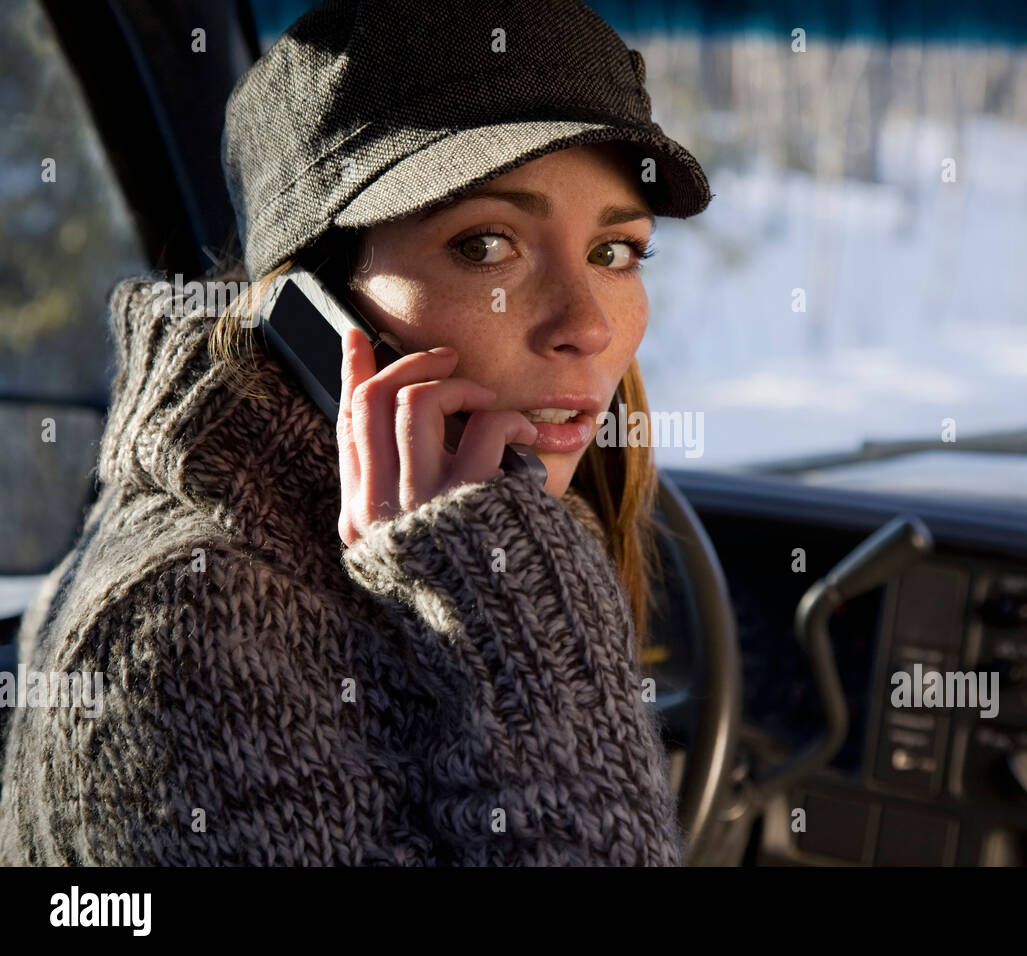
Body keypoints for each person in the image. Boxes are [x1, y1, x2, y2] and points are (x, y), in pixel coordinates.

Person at [0, 0, 713, 865]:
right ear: (310, 313)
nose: (588, 326)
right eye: (485, 246)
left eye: (615, 252)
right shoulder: (192, 631)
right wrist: (526, 620)